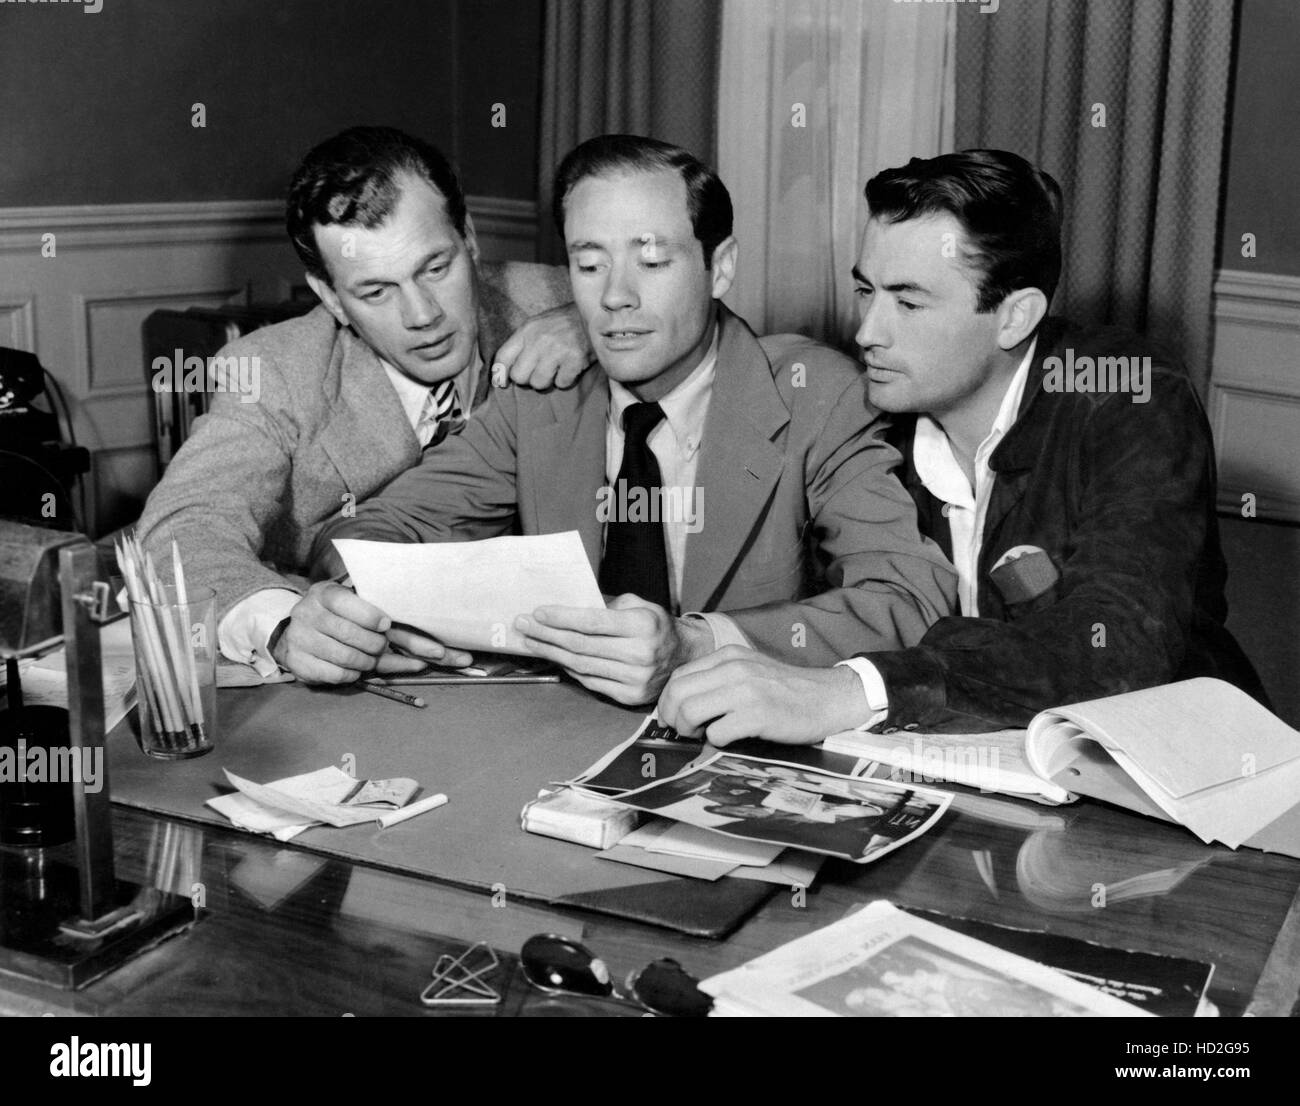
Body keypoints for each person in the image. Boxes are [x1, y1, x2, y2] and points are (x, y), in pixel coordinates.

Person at [300, 134, 957, 701]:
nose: (615, 297)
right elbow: (373, 532)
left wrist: (698, 645)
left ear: (718, 266)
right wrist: (348, 601)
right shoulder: (541, 396)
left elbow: (907, 597)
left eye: (651, 262)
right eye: (589, 264)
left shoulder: (816, 394)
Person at [659, 148, 1266, 740]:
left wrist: (860, 690)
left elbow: (1115, 642)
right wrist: (580, 332)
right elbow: (720, 367)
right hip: (949, 770)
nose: (867, 332)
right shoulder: (865, 403)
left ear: (1014, 317)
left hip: (1160, 771)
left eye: (909, 301)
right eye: (866, 291)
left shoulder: (1128, 393)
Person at [137, 126, 591, 682]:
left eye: (436, 268)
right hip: (351, 684)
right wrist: (282, 626)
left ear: (469, 238)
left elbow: (688, 309)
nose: (422, 314)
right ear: (331, 297)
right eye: (376, 292)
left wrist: (600, 322)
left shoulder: (561, 299)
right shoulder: (275, 371)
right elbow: (184, 526)